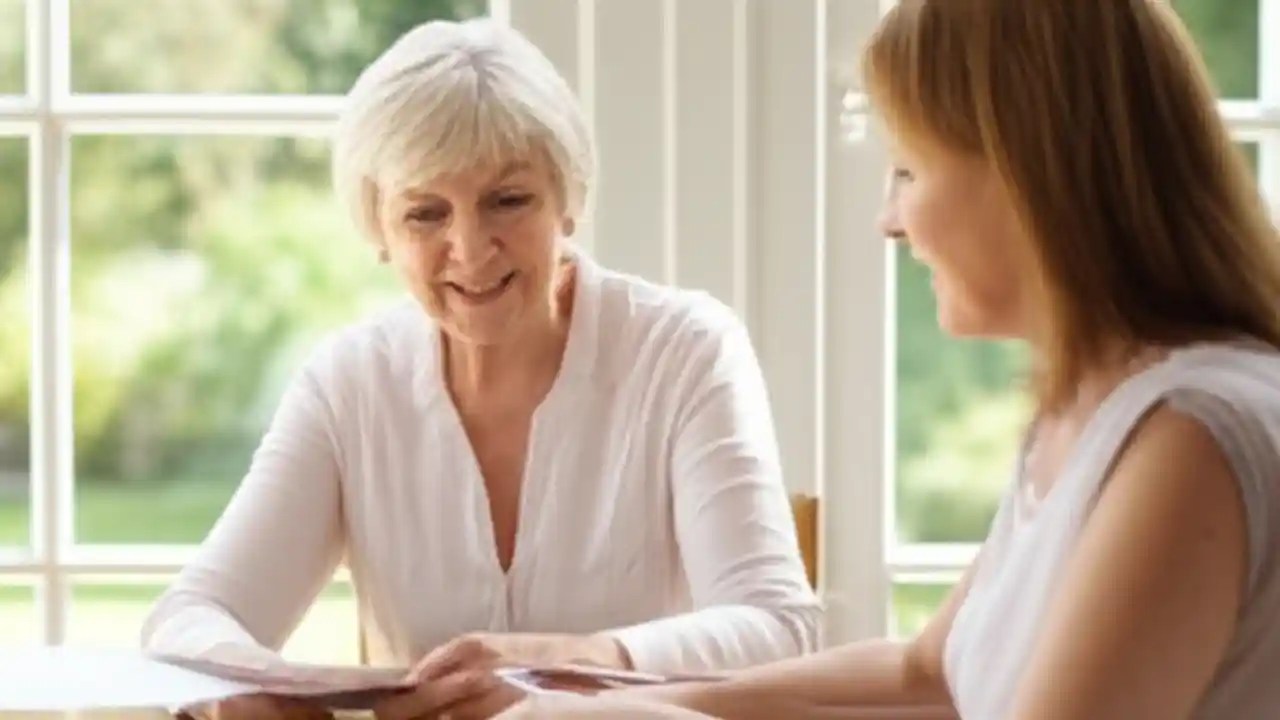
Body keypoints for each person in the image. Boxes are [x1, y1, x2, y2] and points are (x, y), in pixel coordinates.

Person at [507, 1, 1280, 718]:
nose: (888, 222)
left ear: (1026, 171)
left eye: (907, 171)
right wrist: (602, 699)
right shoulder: (1089, 413)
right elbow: (928, 675)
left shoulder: (1189, 439)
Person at [141, 17, 819, 720]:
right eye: (425, 214)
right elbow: (189, 617)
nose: (469, 249)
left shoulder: (685, 351)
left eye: (508, 200)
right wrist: (248, 692)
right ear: (380, 231)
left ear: (568, 200)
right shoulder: (348, 383)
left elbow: (776, 629)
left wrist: (568, 663)